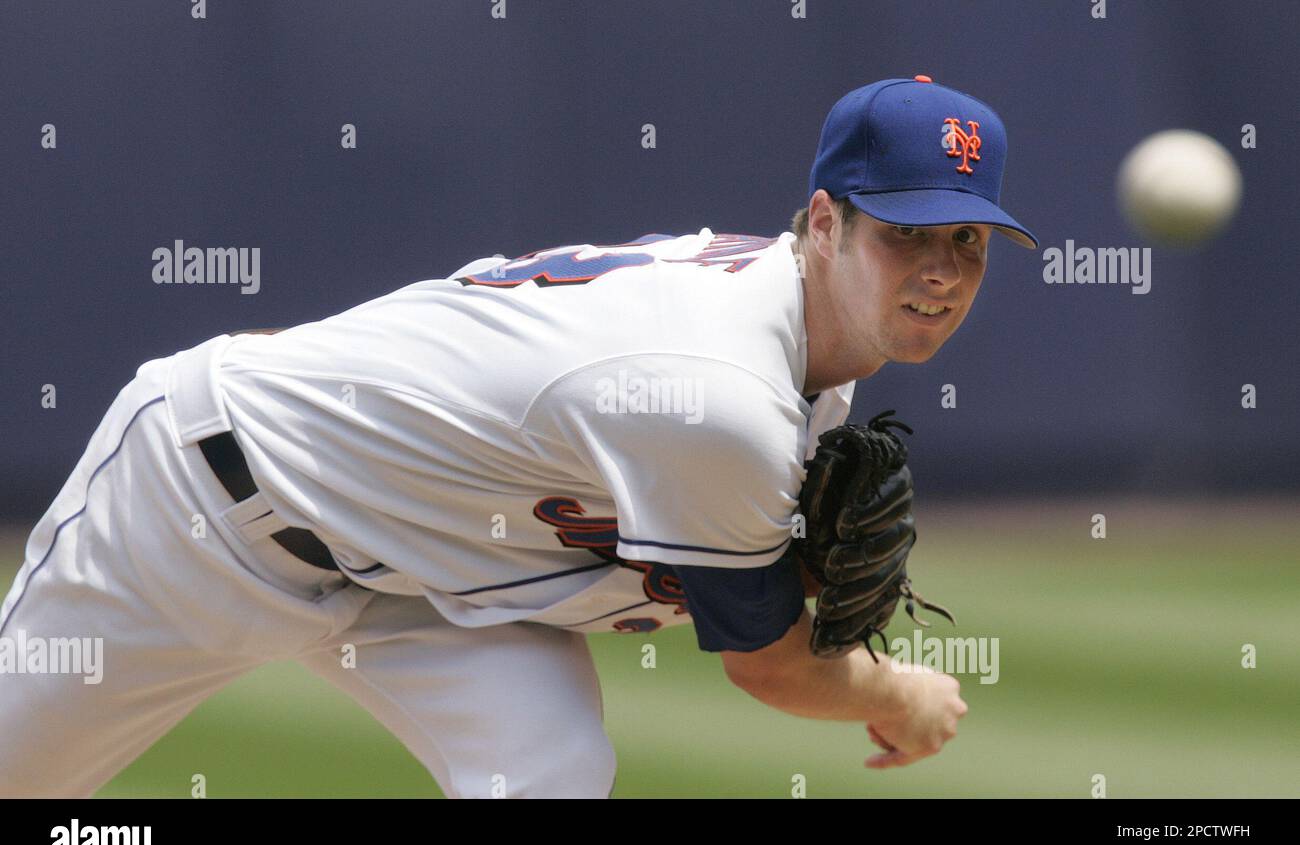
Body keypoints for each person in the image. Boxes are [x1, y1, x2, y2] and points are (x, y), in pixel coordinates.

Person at [0, 75, 1035, 798]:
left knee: (549, 776)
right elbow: (770, 668)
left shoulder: (795, 339)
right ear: (821, 222)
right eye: (904, 231)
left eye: (966, 241)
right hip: (199, 500)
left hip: (422, 570)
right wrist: (899, 691)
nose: (940, 269)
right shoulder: (722, 391)